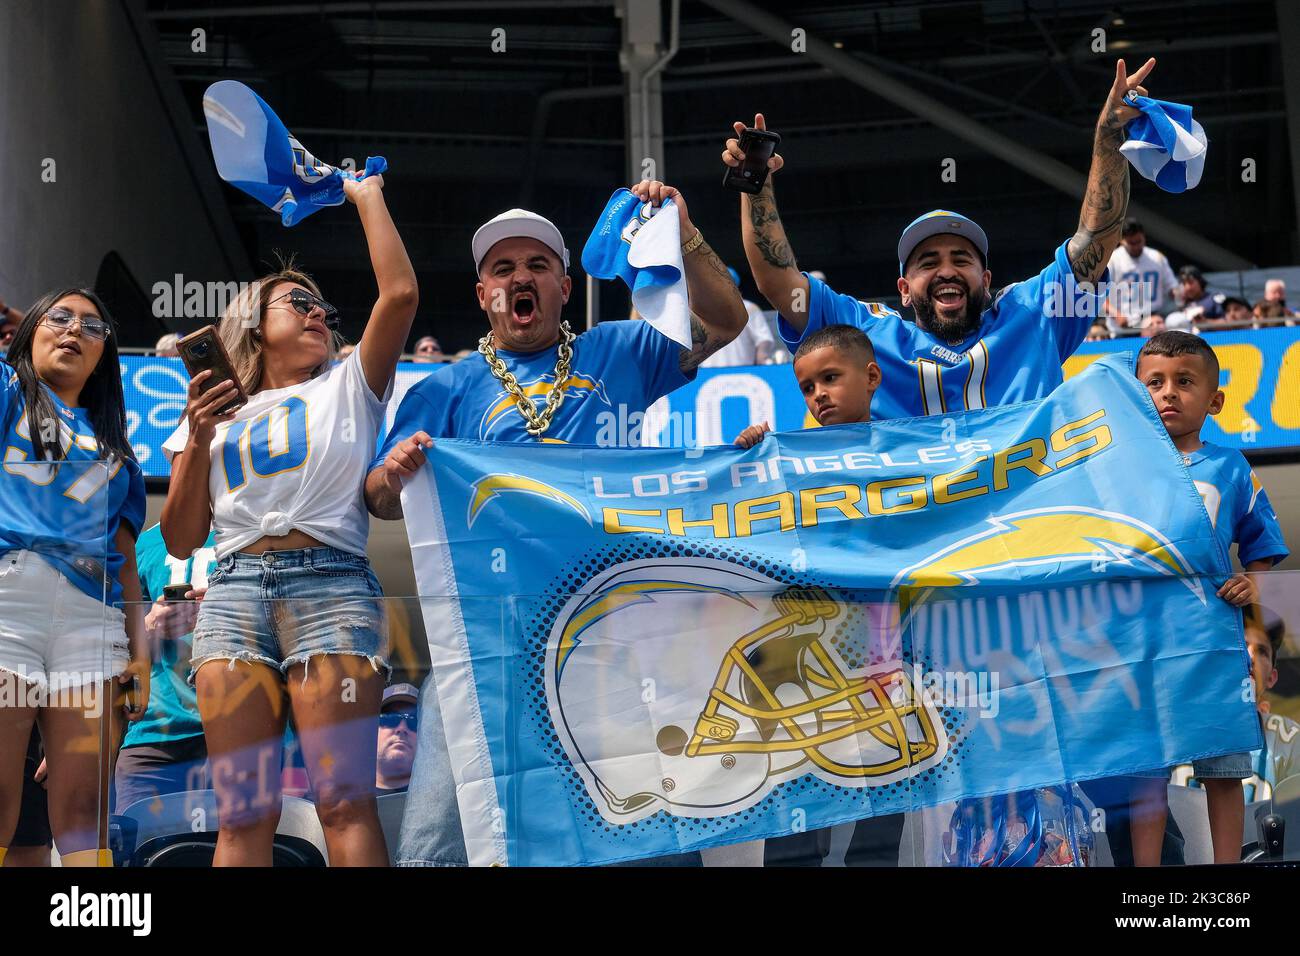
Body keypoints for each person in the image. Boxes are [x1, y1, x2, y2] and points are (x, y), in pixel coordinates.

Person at [365, 179, 747, 867]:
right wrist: (390, 472)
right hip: (486, 640)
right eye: (503, 269)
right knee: (431, 846)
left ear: (564, 288)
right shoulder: (449, 388)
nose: (521, 278)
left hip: (614, 634)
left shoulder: (622, 351)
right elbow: (380, 500)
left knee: (633, 835)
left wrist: (684, 229)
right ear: (484, 293)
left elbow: (727, 322)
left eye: (538, 265)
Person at [161, 171, 417, 866]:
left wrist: (367, 198)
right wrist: (198, 436)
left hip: (332, 587)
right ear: (252, 322)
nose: (317, 314)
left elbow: (399, 294)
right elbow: (182, 538)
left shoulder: (350, 385)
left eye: (321, 307)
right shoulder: (213, 411)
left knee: (342, 802)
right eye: (298, 302)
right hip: (235, 590)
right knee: (243, 813)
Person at [725, 59, 1160, 420]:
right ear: (904, 290)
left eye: (961, 259)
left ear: (986, 279)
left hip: (1032, 519)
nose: (947, 271)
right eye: (928, 262)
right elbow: (777, 282)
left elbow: (1096, 240)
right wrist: (757, 186)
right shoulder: (866, 335)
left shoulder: (1032, 314)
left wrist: (1108, 137)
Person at [1127, 331, 1289, 865]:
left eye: (1185, 382)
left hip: (1214, 647)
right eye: (1155, 382)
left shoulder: (1231, 466)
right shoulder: (1117, 469)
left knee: (1224, 771)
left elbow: (1262, 544)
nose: (1169, 393)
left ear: (1215, 400)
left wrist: (1254, 583)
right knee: (1146, 775)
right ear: (1136, 391)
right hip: (1140, 647)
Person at [0, 288, 148, 868]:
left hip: (95, 621)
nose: (72, 331)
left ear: (105, 353)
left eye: (91, 325)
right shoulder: (9, 392)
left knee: (85, 806)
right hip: (10, 602)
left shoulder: (120, 452)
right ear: (28, 330)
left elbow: (128, 564)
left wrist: (140, 659)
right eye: (59, 318)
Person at [113, 526, 216, 812]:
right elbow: (113, 643)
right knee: (139, 849)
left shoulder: (251, 536)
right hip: (153, 733)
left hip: (235, 726)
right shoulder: (143, 543)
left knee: (239, 847)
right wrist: (149, 625)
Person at [734, 324, 881, 448]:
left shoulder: (902, 445)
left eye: (829, 378)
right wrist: (753, 457)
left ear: (871, 377)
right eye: (808, 389)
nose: (818, 394)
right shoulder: (790, 458)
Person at [1244, 607, 1300, 797]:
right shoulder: (1177, 731)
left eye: (1261, 651)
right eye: (1241, 645)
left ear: (1272, 678)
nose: (1250, 657)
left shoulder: (1290, 739)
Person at [1103, 218, 1178, 334]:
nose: (1136, 246)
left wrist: (1180, 295)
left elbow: (1172, 287)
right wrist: (1116, 314)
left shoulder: (1156, 257)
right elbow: (1100, 296)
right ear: (1122, 240)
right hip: (1126, 326)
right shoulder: (1112, 260)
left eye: (1139, 241)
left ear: (1143, 237)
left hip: (1153, 322)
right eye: (1131, 243)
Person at [701, 268, 776, 367]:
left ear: (734, 284)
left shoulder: (748, 308)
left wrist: (761, 362)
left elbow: (764, 339)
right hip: (707, 373)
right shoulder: (702, 310)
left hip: (742, 370)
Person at [376, 683, 418, 794]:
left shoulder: (445, 803)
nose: (402, 728)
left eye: (414, 721)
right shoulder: (344, 800)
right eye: (391, 718)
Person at [1161, 265, 1222, 331]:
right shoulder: (1180, 302)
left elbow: (1229, 322)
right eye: (1184, 284)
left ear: (1200, 281)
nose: (1187, 287)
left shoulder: (1214, 298)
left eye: (1191, 282)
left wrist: (1205, 322)